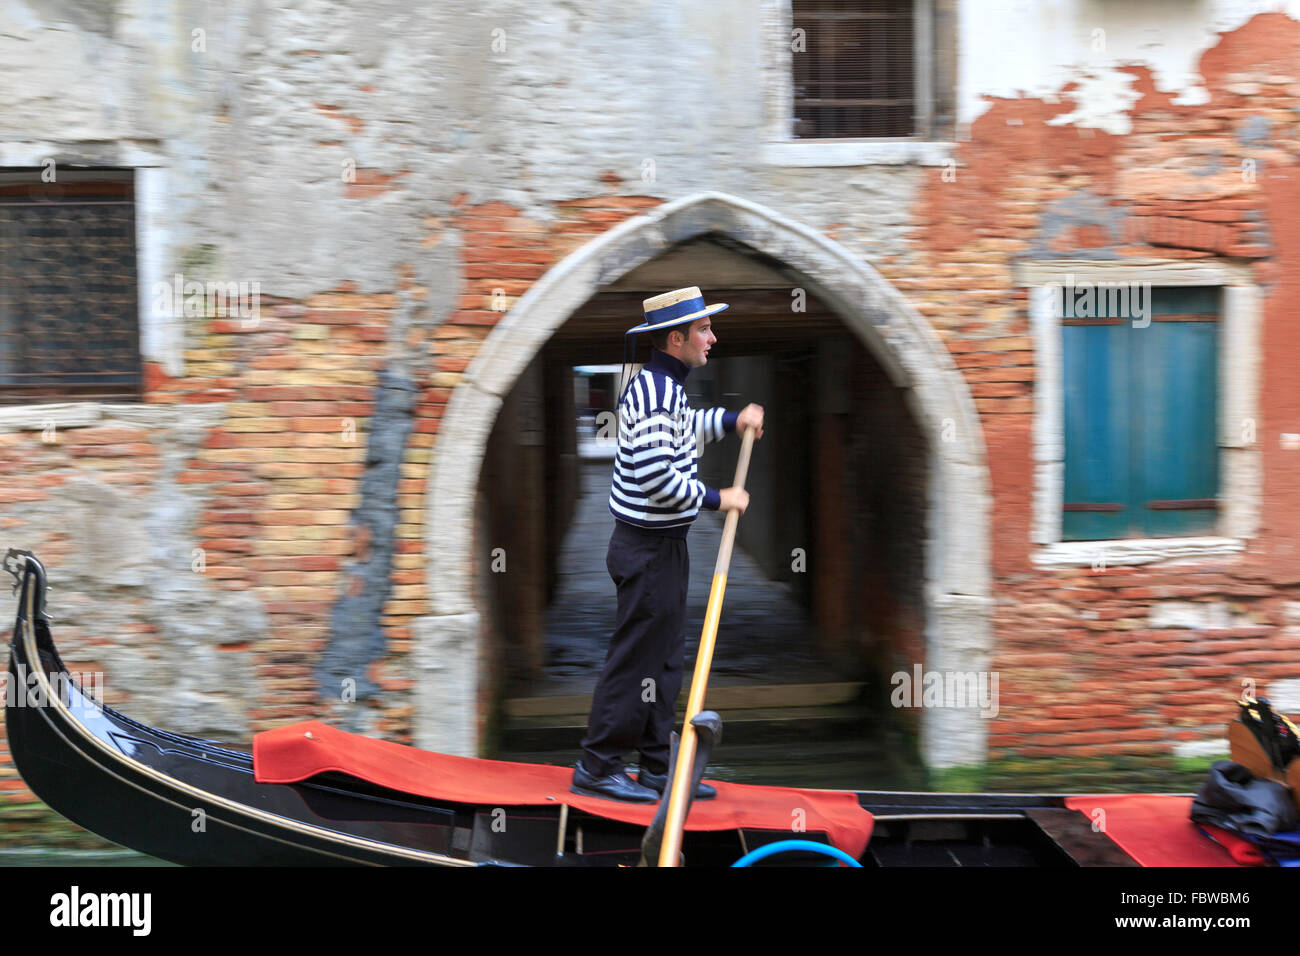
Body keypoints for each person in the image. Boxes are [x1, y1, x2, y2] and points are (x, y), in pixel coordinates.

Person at [571, 287, 764, 802]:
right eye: (704, 329)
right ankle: (597, 766)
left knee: (664, 665)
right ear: (676, 338)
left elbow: (683, 433)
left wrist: (731, 419)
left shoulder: (666, 388)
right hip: (645, 548)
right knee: (636, 663)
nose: (712, 336)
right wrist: (720, 497)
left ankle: (658, 768)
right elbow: (657, 475)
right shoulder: (654, 391)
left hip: (662, 548)